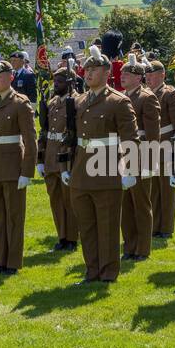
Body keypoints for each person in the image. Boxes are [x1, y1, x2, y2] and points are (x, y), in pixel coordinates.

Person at [67, 44, 139, 285]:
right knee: (86, 226)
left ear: (107, 72)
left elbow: (130, 139)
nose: (88, 74)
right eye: (86, 69)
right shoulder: (78, 101)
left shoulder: (119, 102)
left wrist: (129, 169)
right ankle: (92, 271)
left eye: (93, 69)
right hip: (80, 167)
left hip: (106, 166)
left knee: (107, 224)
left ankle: (108, 273)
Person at [0, 53, 37, 274]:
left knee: (13, 217)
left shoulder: (20, 104)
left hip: (13, 166)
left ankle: (12, 262)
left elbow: (31, 141)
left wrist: (27, 172)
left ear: (11, 77)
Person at [120, 53, 160, 261]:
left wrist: (150, 162)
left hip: (141, 152)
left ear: (138, 77)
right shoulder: (121, 96)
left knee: (141, 204)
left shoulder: (147, 97)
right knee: (125, 205)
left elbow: (153, 134)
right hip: (122, 154)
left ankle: (142, 248)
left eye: (127, 73)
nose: (123, 76)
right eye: (122, 72)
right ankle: (129, 246)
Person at [41, 67, 79, 251]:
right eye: (55, 81)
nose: (56, 85)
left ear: (70, 82)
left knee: (69, 200)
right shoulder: (52, 102)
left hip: (67, 157)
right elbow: (44, 131)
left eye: (60, 82)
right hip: (51, 156)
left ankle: (72, 237)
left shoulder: (77, 102)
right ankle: (62, 235)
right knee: (55, 199)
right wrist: (40, 159)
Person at [145, 58, 175, 239]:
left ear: (162, 75)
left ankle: (166, 227)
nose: (148, 78)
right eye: (147, 75)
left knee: (166, 189)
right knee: (153, 189)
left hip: (166, 144)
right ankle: (154, 225)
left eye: (152, 75)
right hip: (151, 146)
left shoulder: (169, 94)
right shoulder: (146, 94)